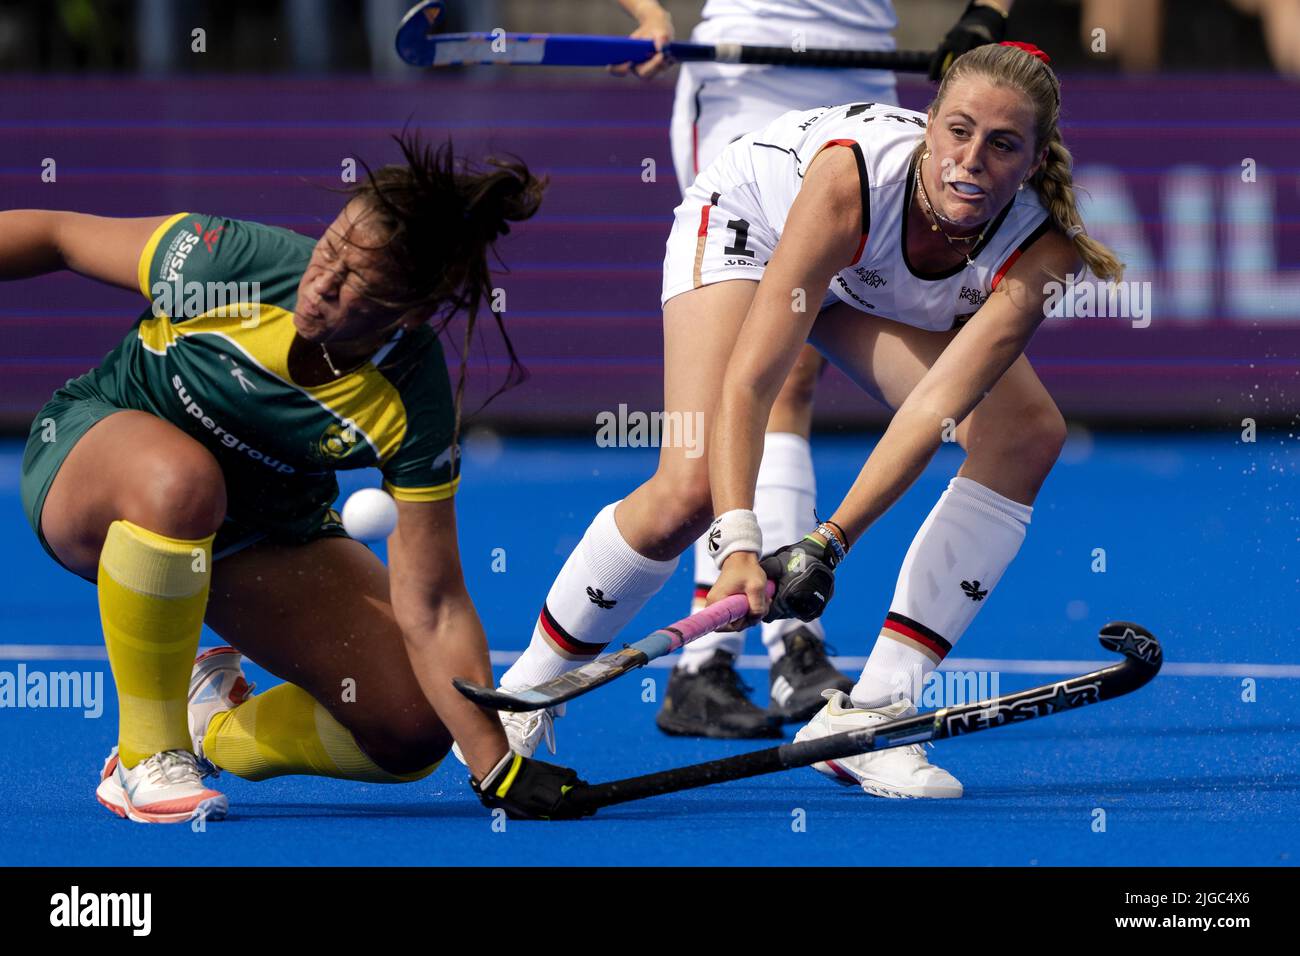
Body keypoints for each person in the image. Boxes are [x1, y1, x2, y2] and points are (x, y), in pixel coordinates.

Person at [500, 41, 1123, 798]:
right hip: (754, 226)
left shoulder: (1042, 249)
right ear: (929, 125)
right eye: (957, 131)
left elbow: (933, 411)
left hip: (858, 280)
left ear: (1031, 161)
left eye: (1002, 145)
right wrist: (738, 543)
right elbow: (752, 380)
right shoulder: (849, 178)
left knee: (1024, 434)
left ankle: (871, 716)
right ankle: (522, 697)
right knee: (690, 489)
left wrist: (828, 543)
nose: (971, 160)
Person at [9, 132, 590, 823]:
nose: (323, 283)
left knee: (412, 725)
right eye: (331, 249)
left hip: (258, 531)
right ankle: (146, 756)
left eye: (355, 282)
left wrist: (495, 765)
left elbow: (432, 603)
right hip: (91, 462)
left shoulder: (412, 399)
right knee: (182, 482)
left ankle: (213, 730)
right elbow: (59, 235)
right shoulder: (228, 259)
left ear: (406, 313)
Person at [610, 0, 1018, 740]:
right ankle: (723, 655)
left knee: (799, 376)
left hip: (864, 80)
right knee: (775, 360)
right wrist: (649, 14)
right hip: (747, 79)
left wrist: (984, 16)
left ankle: (774, 647)